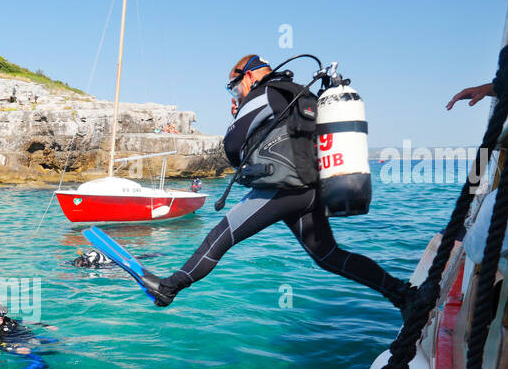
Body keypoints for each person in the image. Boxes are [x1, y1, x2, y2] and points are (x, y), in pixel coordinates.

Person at [136, 54, 413, 309]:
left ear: (249, 76)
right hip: (312, 189)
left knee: (221, 235)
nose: (237, 95)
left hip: (280, 189)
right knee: (329, 256)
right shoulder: (299, 94)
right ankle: (402, 294)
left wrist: (238, 117)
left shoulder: (262, 93)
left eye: (235, 89)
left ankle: (169, 287)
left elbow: (232, 147)